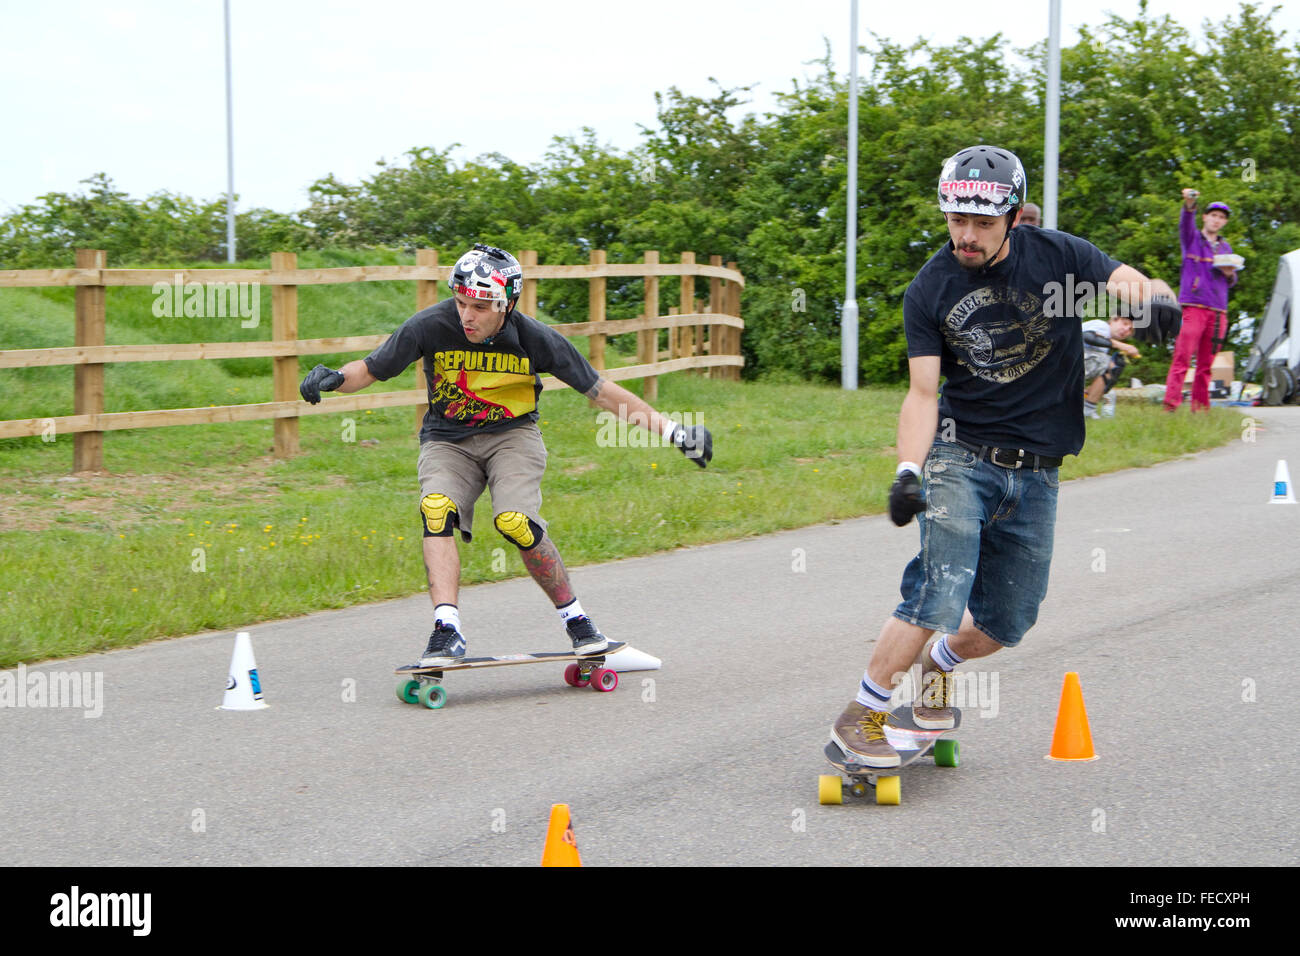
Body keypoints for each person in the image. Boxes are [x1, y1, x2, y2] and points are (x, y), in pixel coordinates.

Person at [830, 145, 1176, 767]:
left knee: (1006, 623)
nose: (966, 236)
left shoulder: (1058, 259)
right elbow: (921, 392)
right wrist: (907, 471)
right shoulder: (930, 288)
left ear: (1014, 217)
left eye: (982, 224)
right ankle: (863, 715)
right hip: (960, 457)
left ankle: (940, 666)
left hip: (1039, 468)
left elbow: (1131, 282)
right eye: (956, 220)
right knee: (938, 592)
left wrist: (1157, 300)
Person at [299, 243, 713, 665]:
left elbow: (601, 392)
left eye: (479, 306)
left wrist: (675, 431)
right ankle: (447, 630)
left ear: (506, 304)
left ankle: (578, 622)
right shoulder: (430, 325)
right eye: (461, 303)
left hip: (513, 437)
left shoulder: (535, 337)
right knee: (436, 508)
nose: (466, 316)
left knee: (515, 522)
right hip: (447, 440)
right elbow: (371, 368)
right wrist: (334, 378)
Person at [1162, 189, 1238, 412]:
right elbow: (1185, 222)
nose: (1217, 220)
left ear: (1224, 222)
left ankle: (1200, 408)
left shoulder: (1226, 248)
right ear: (1205, 217)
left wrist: (1229, 273)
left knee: (1206, 364)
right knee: (1182, 358)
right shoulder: (1192, 238)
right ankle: (1170, 406)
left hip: (1218, 312)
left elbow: (1232, 279)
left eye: (1222, 217)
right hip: (1193, 307)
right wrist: (1189, 203)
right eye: (1214, 215)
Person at [1082, 314, 1140, 418]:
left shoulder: (1104, 345)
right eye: (1125, 323)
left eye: (1130, 330)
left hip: (1060, 364)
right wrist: (1120, 345)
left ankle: (1086, 406)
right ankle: (1088, 410)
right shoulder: (1102, 326)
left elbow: (1106, 382)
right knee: (1109, 364)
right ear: (1113, 320)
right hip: (1057, 359)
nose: (1126, 329)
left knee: (1113, 365)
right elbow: (1087, 337)